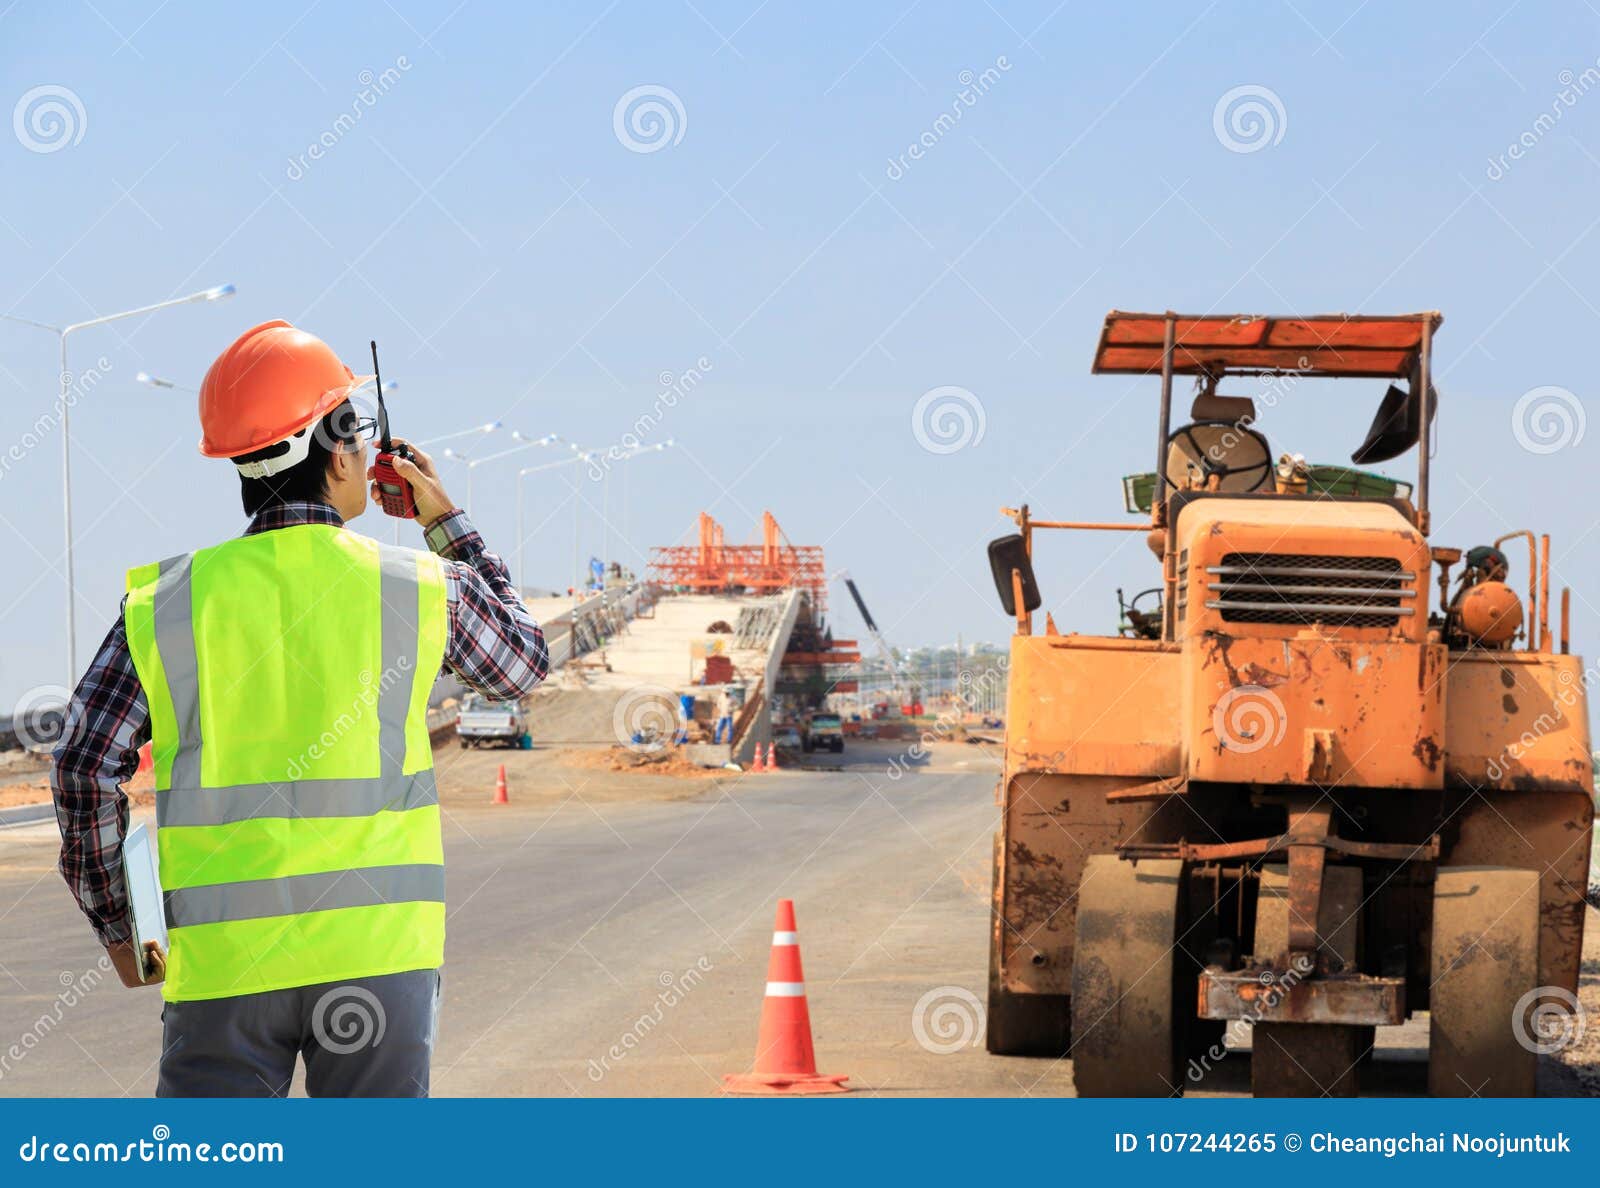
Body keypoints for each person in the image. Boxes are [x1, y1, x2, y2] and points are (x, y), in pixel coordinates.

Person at [50, 320, 549, 1097]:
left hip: (223, 971)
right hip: (378, 961)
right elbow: (521, 665)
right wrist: (444, 521)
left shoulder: (169, 603)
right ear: (340, 440)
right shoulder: (415, 586)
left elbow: (83, 763)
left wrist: (125, 925)